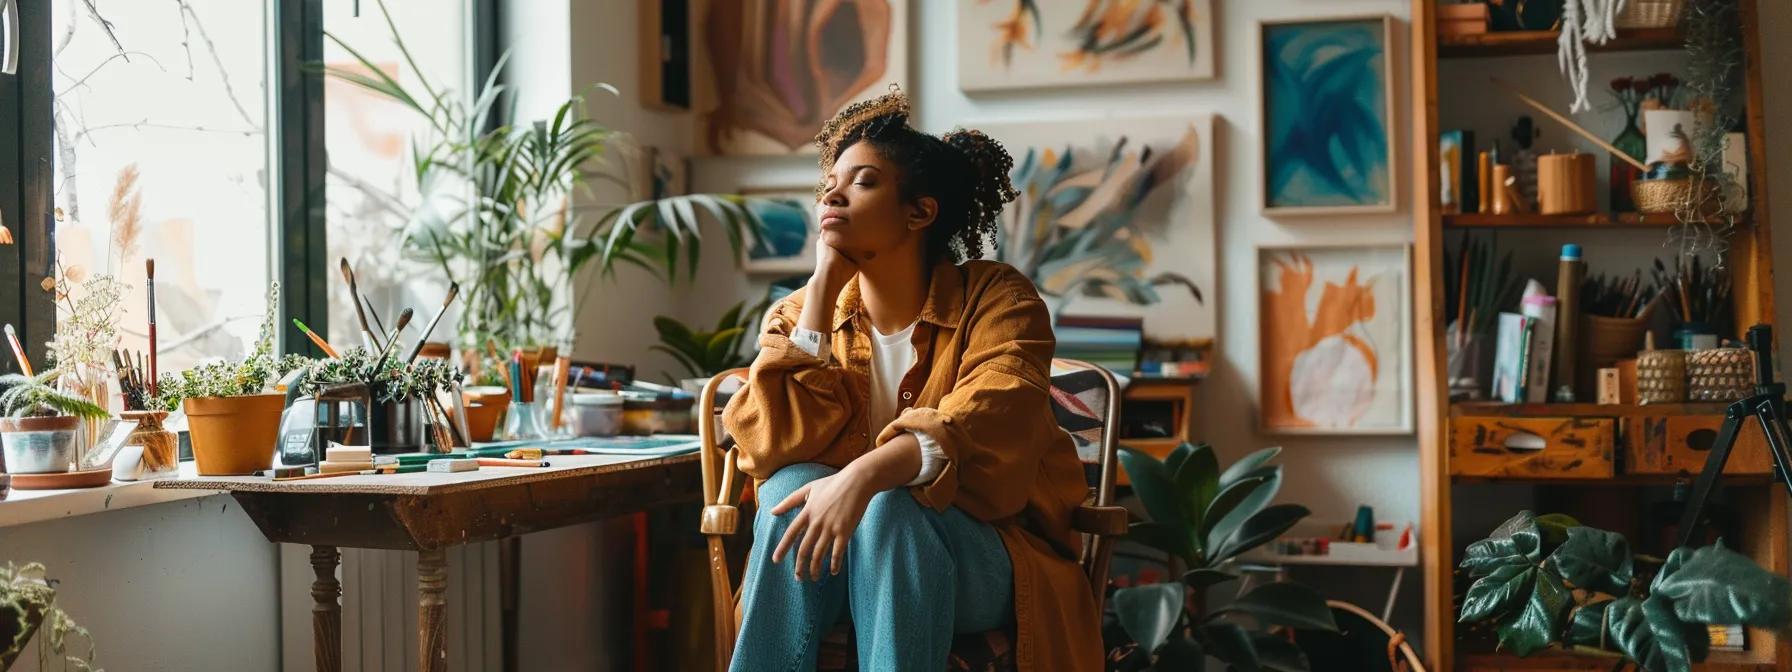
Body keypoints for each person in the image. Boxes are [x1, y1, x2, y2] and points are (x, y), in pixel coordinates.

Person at [722, 87, 1101, 672]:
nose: (834, 194)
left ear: (919, 212)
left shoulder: (999, 299)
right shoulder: (799, 313)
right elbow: (770, 443)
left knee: (890, 508)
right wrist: (822, 287)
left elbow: (992, 408)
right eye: (832, 182)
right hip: (834, 556)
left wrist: (867, 475)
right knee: (782, 488)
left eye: (864, 182)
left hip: (982, 554)